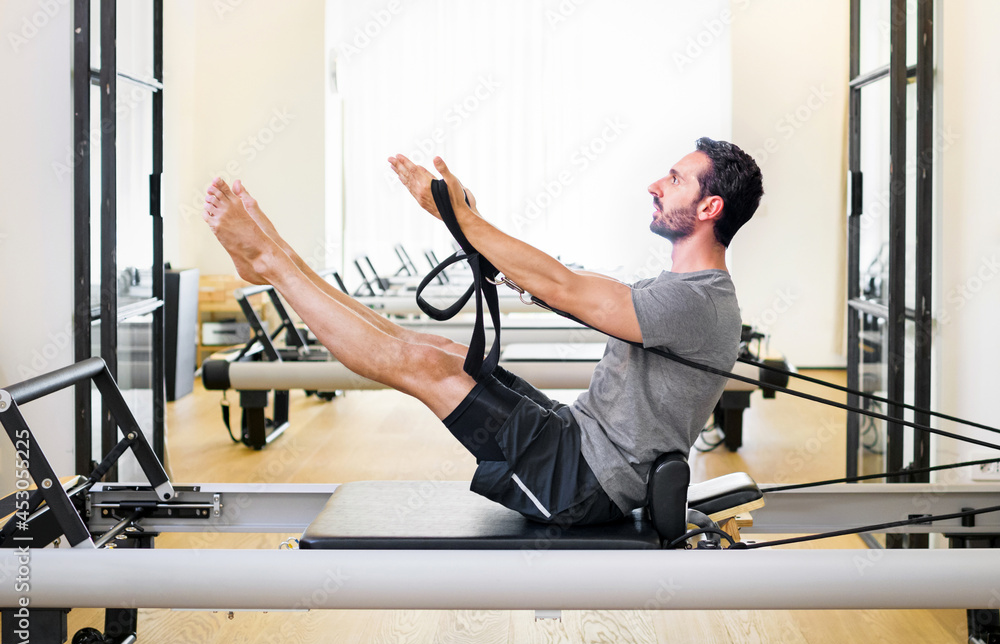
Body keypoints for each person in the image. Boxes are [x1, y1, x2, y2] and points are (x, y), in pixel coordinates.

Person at [201, 137, 763, 527]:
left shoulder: (697, 303)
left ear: (710, 205)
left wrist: (459, 218)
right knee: (439, 350)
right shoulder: (686, 291)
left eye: (674, 178)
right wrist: (469, 227)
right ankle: (280, 261)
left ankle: (271, 265)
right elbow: (562, 284)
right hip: (576, 442)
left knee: (420, 367)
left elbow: (565, 287)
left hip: (581, 484)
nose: (654, 185)